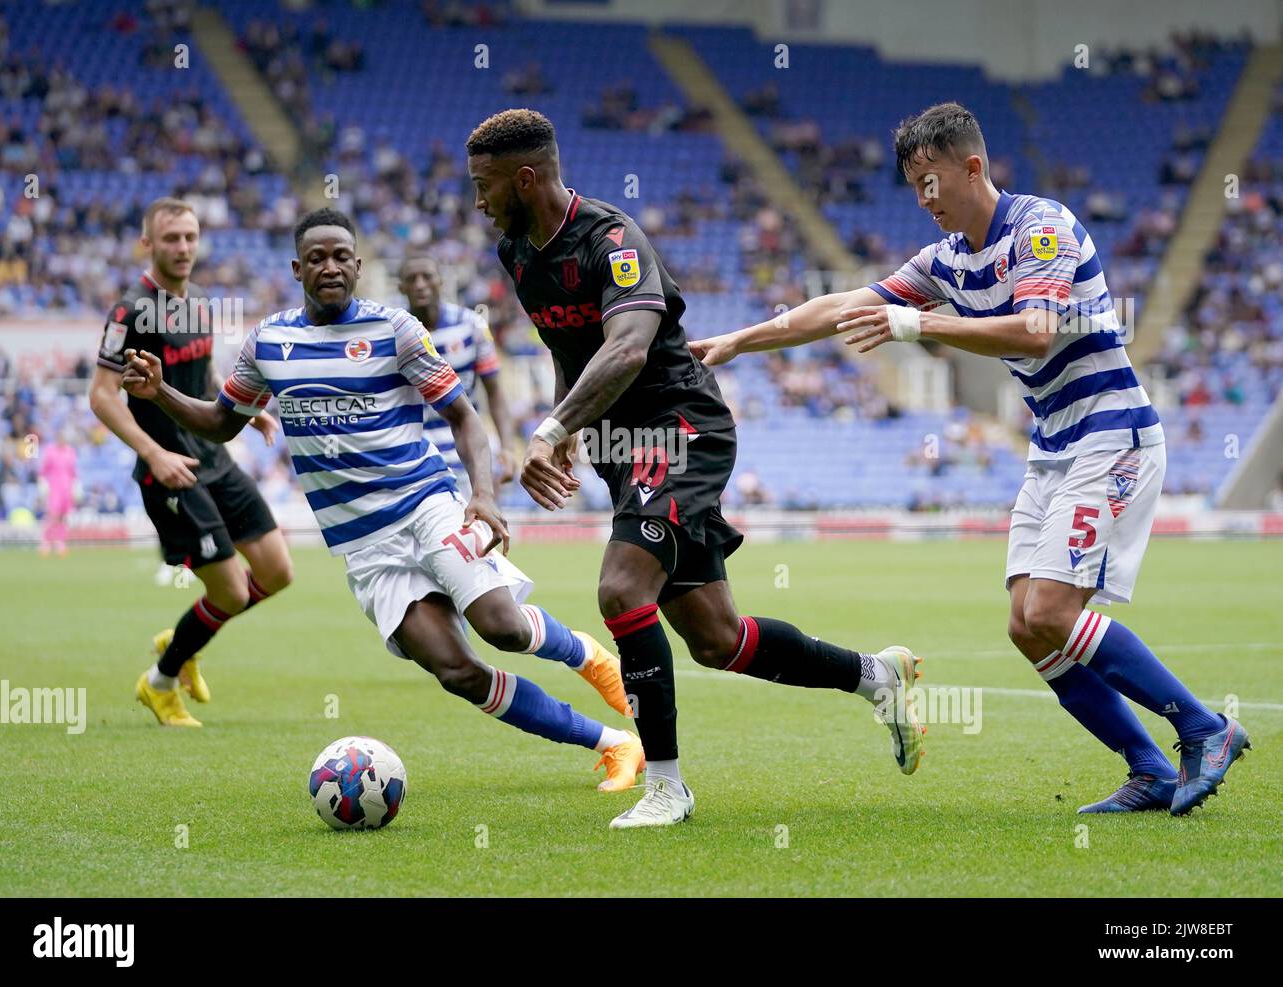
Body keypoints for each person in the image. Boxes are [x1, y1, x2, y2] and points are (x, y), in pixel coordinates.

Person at [691, 102, 1248, 816]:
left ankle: (1204, 726)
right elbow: (840, 307)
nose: (922, 199)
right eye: (913, 186)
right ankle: (1147, 767)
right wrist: (740, 339)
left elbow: (1038, 330)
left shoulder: (1038, 228)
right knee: (1026, 625)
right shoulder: (948, 259)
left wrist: (921, 322)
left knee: (1050, 608)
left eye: (930, 180)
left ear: (973, 166)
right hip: (1053, 448)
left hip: (1112, 436)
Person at [467, 108, 924, 830]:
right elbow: (568, 349)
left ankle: (667, 786)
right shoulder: (518, 253)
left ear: (527, 177)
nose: (478, 199)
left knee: (620, 590)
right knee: (717, 637)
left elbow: (625, 350)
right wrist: (567, 431)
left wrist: (551, 426)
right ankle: (877, 676)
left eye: (486, 184)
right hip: (623, 448)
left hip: (680, 429)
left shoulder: (611, 239)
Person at [120, 207, 644, 792]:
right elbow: (221, 422)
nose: (330, 267)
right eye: (316, 257)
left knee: (500, 626)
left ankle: (588, 657)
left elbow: (464, 417)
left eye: (341, 256)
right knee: (457, 671)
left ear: (358, 265)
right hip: (364, 546)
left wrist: (485, 496)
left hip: (427, 507)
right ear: (297, 268)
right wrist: (160, 391)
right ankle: (614, 745)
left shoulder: (393, 329)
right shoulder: (269, 342)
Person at [88, 197, 293, 727]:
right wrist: (154, 454)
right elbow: (103, 395)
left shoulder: (198, 301)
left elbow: (201, 378)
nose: (182, 247)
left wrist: (244, 413)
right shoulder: (129, 310)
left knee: (277, 571)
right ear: (147, 243)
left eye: (189, 237)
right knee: (227, 589)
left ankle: (189, 633)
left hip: (214, 457)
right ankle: (159, 682)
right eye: (171, 238)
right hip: (170, 470)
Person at [397, 252, 516, 496]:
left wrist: (508, 448)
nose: (420, 284)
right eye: (412, 279)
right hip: (415, 457)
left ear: (440, 281)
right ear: (401, 287)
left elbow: (494, 392)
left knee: (481, 529)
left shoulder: (471, 325)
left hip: (466, 453)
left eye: (427, 276)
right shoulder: (391, 333)